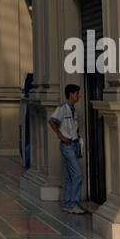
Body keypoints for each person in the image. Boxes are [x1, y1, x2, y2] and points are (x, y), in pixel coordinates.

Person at [49, 84, 84, 213]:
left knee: (70, 176)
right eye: (77, 93)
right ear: (71, 94)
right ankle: (74, 204)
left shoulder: (73, 109)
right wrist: (61, 136)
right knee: (77, 175)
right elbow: (52, 121)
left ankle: (67, 204)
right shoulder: (63, 108)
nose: (79, 96)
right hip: (67, 146)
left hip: (74, 145)